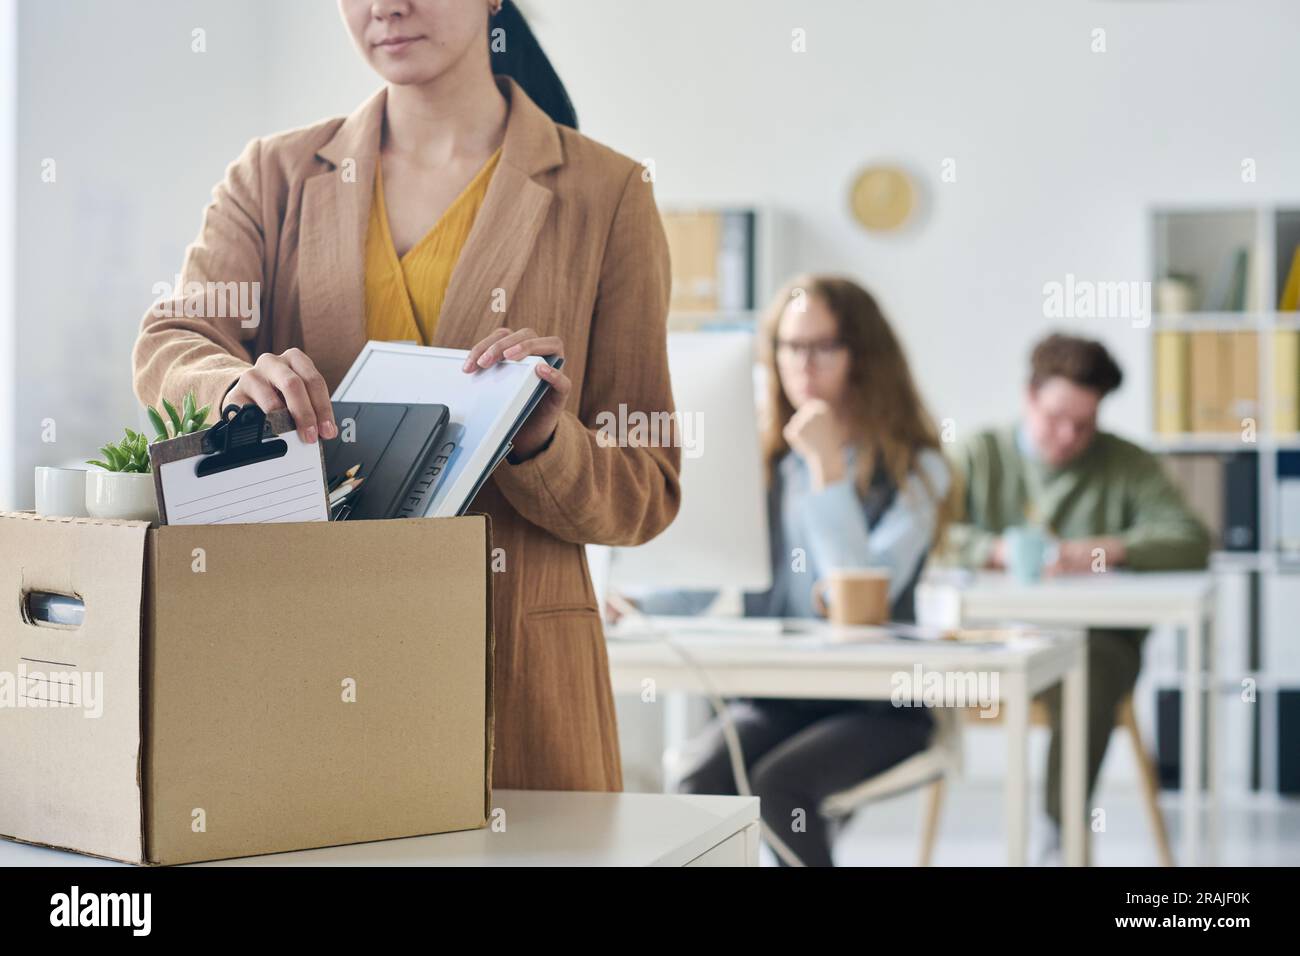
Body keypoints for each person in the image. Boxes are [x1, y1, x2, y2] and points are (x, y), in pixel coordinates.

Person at [132, 0, 681, 792]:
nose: (386, 6)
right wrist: (233, 386)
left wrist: (540, 442)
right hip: (306, 655)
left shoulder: (609, 194)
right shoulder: (274, 176)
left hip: (516, 667)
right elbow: (172, 339)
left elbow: (647, 489)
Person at [633, 275, 955, 866]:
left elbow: (861, 596)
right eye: (787, 346)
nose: (801, 365)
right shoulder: (765, 463)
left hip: (880, 706)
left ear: (864, 355)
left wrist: (828, 468)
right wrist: (636, 606)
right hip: (781, 694)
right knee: (700, 782)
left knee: (780, 787)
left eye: (822, 346)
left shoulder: (919, 470)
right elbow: (717, 573)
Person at [944, 332, 1210, 851]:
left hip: (1096, 648)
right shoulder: (980, 455)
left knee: (1086, 669)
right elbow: (930, 535)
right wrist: (993, 551)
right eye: (1054, 418)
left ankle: (1058, 832)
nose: (1067, 436)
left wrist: (1101, 550)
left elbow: (1190, 540)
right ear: (1029, 396)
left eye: (1083, 424)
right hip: (994, 643)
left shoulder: (1125, 463)